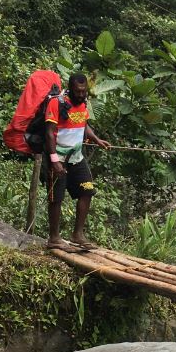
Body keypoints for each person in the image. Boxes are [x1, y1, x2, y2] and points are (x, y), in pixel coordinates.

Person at [45, 73, 110, 249]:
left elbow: (83, 124)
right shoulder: (56, 103)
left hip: (76, 157)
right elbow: (49, 132)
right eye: (78, 91)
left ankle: (77, 234)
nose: (81, 95)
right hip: (57, 157)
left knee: (87, 190)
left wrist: (96, 139)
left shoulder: (83, 103)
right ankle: (54, 238)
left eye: (84, 91)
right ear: (71, 88)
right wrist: (54, 161)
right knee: (56, 198)